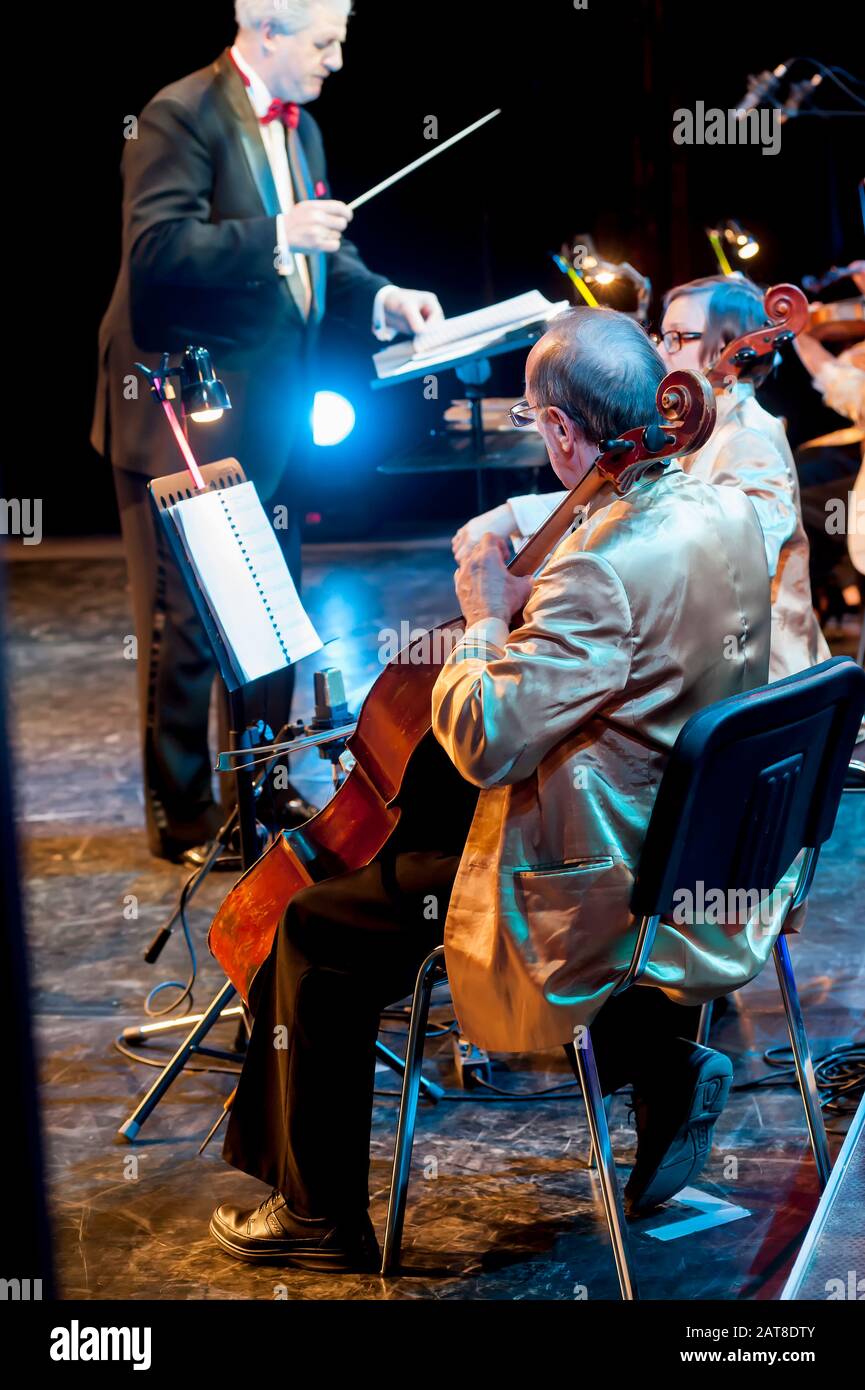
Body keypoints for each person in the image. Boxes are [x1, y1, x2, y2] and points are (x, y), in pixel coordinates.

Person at [210, 308, 777, 1271]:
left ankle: (317, 1219)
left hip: (589, 884)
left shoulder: (597, 563)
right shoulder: (722, 511)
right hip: (694, 849)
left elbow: (483, 741)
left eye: (536, 423)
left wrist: (481, 618)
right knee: (408, 836)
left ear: (563, 432)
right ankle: (657, 1055)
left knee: (316, 927)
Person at [92, 0, 443, 862]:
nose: (336, 60)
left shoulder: (304, 128)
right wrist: (274, 233)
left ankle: (263, 782)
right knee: (187, 624)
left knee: (269, 614)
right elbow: (157, 251)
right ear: (268, 29)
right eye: (325, 42)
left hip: (267, 409)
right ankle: (183, 816)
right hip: (179, 400)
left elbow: (323, 244)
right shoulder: (182, 114)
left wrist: (382, 296)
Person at [456, 275, 828, 683]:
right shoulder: (686, 432)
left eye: (675, 338)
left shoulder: (747, 441)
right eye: (659, 337)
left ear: (728, 350)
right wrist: (515, 515)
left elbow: (736, 567)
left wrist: (572, 594)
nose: (658, 353)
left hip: (759, 673)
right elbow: (639, 489)